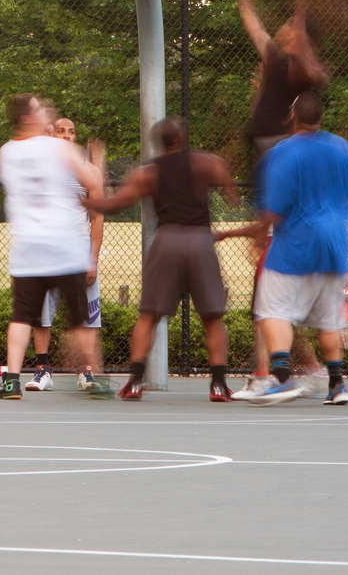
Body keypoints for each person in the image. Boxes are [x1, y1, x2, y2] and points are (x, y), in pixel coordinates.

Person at [82, 117, 238, 402]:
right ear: (182, 138)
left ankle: (135, 382)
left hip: (167, 241)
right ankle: (218, 384)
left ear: (159, 142)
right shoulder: (206, 163)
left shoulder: (148, 173)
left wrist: (87, 201)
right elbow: (232, 193)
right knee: (212, 318)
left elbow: (116, 204)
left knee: (149, 315)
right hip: (200, 240)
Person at [233, 0, 328, 401]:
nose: (284, 29)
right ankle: (299, 364)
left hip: (277, 148)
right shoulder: (274, 59)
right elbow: (257, 30)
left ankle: (274, 372)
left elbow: (313, 68)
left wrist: (302, 10)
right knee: (271, 254)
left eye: (291, 28)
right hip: (265, 148)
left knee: (268, 259)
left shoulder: (297, 69)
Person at [248, 91, 348, 406]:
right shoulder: (341, 147)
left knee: (271, 310)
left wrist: (259, 237)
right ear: (321, 118)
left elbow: (275, 206)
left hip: (296, 247)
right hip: (335, 249)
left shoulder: (283, 153)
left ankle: (281, 377)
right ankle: (337, 385)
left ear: (292, 117)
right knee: (329, 320)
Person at [0, 94, 108, 401]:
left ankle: (12, 382)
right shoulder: (59, 148)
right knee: (79, 318)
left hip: (27, 251)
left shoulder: (6, 152)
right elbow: (92, 182)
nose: (45, 111)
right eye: (39, 109)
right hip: (63, 248)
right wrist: (96, 167)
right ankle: (91, 373)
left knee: (21, 317)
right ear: (28, 119)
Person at [25, 115, 106, 393]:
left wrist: (92, 259)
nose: (66, 135)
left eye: (71, 132)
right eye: (60, 131)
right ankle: (43, 370)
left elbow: (97, 218)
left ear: (75, 138)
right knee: (42, 313)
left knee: (87, 314)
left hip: (79, 251)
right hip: (47, 252)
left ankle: (86, 370)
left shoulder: (87, 171)